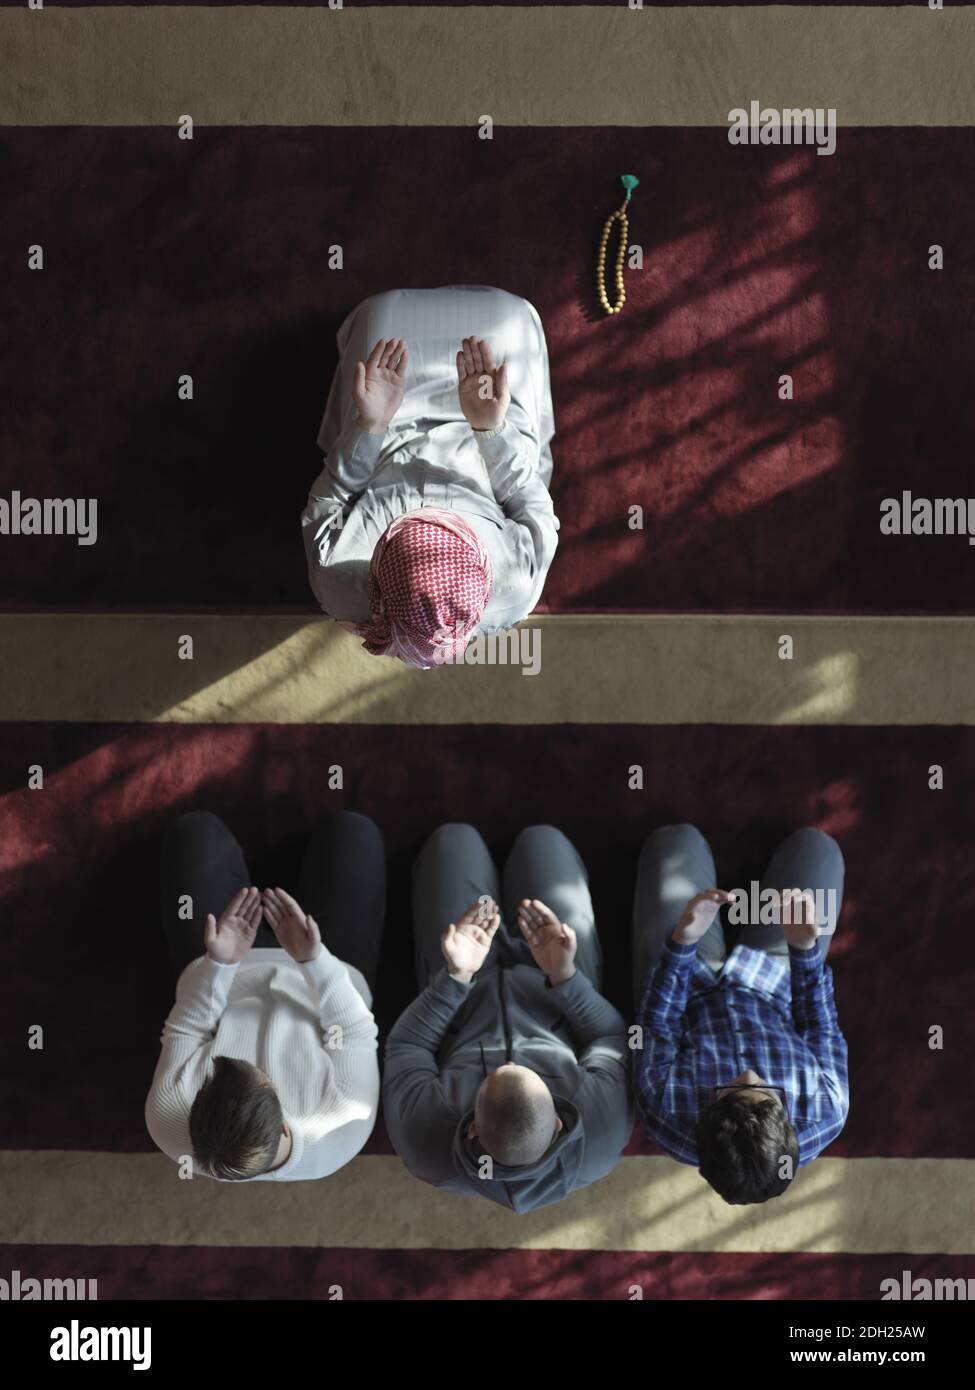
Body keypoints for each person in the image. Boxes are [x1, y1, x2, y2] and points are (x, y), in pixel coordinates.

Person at [301, 286, 559, 667]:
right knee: (512, 312)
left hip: (388, 421)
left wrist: (370, 424)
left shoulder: (336, 579)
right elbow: (528, 494)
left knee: (380, 311)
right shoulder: (516, 586)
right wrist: (490, 427)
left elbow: (333, 494)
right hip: (485, 428)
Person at [382, 823, 632, 1212]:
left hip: (462, 981)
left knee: (453, 838)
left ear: (470, 1127)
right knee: (541, 838)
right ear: (558, 1121)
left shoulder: (422, 1142)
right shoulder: (602, 1129)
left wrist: (456, 975)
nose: (512, 1059)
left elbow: (406, 1045)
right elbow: (611, 1037)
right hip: (554, 976)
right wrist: (564, 975)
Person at [145, 810, 384, 1182]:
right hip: (326, 968)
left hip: (223, 964)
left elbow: (186, 1030)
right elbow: (354, 1030)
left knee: (193, 829)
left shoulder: (169, 1118)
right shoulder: (341, 1126)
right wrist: (313, 958)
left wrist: (219, 963)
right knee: (354, 830)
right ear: (288, 1127)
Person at [632, 824, 848, 1205]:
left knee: (675, 840)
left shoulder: (663, 1111)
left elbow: (657, 1025)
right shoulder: (827, 1107)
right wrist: (804, 947)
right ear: (788, 1121)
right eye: (766, 1091)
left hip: (688, 987)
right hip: (774, 983)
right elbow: (820, 1024)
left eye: (732, 1089)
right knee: (819, 848)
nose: (748, 1074)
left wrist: (684, 940)